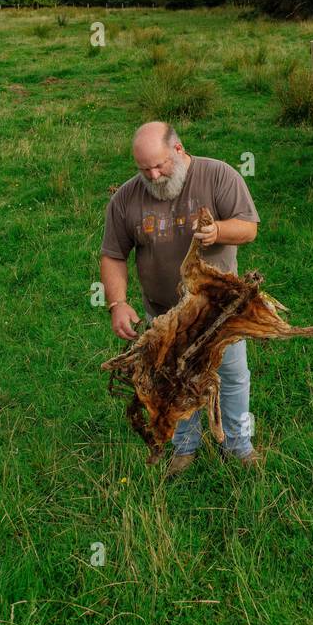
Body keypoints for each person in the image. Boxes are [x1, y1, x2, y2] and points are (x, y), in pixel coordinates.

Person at [100, 120, 261, 476]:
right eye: (144, 169)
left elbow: (249, 228)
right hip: (164, 314)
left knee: (232, 375)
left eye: (160, 165)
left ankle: (238, 445)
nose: (154, 175)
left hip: (219, 312)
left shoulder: (219, 176)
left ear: (178, 148)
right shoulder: (126, 198)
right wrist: (117, 303)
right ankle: (183, 449)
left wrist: (218, 230)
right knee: (173, 378)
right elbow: (113, 254)